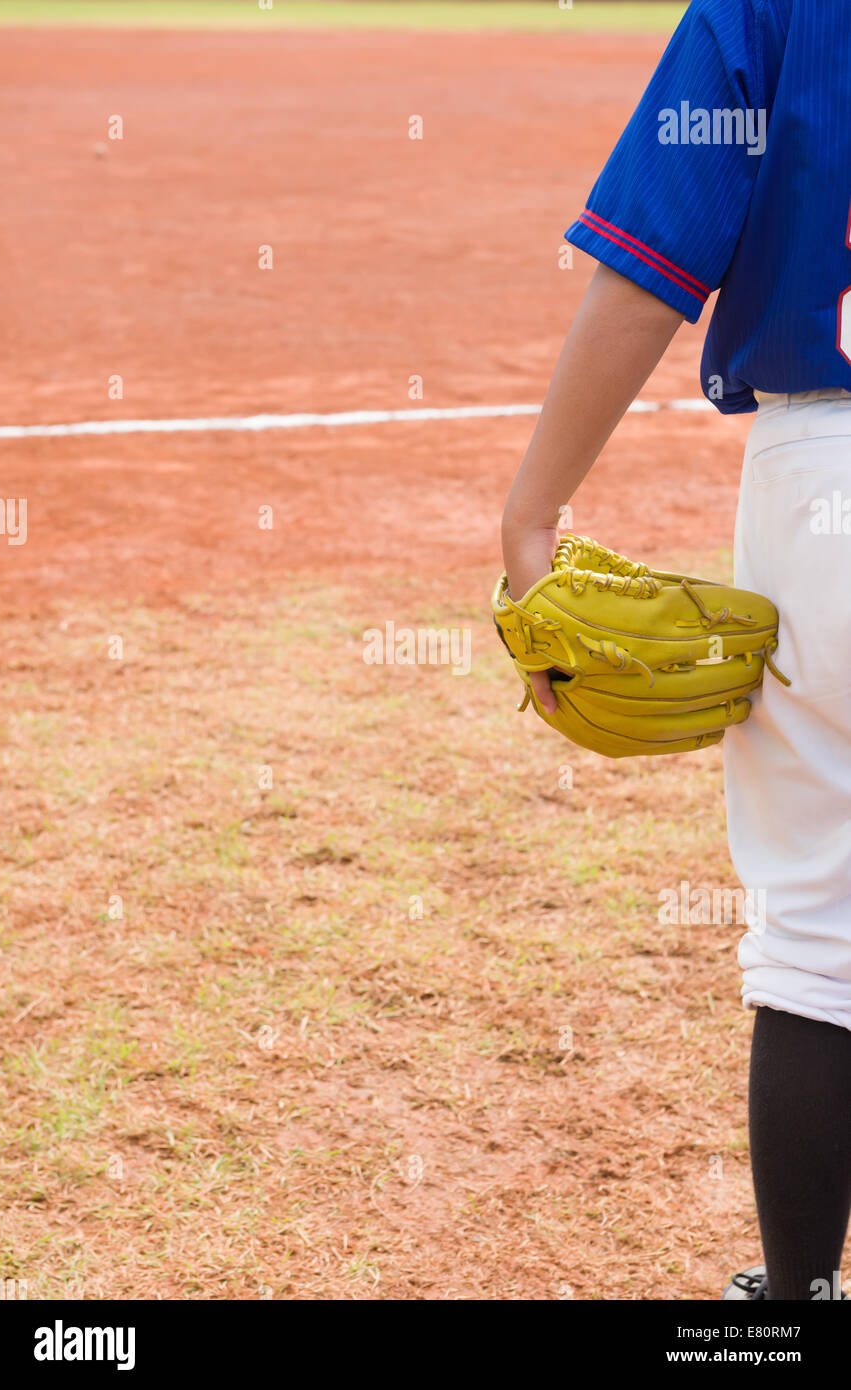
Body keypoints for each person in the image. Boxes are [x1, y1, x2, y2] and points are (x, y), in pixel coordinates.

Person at [501, 0, 851, 1301]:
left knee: (822, 934)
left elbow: (653, 253)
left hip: (828, 476)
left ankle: (792, 1303)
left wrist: (533, 511)